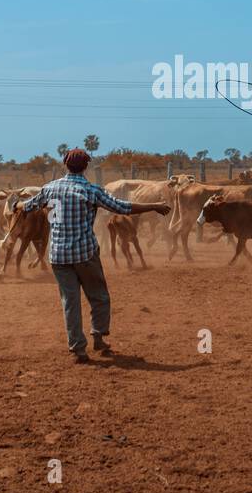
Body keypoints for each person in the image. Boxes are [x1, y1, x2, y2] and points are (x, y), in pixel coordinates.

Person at [17, 149, 171, 363]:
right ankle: (98, 336)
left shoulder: (49, 189)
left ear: (65, 165)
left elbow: (28, 206)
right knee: (99, 296)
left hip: (58, 256)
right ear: (86, 166)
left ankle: (78, 349)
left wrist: (18, 204)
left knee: (69, 302)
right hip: (85, 254)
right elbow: (122, 207)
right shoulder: (91, 190)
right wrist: (153, 206)